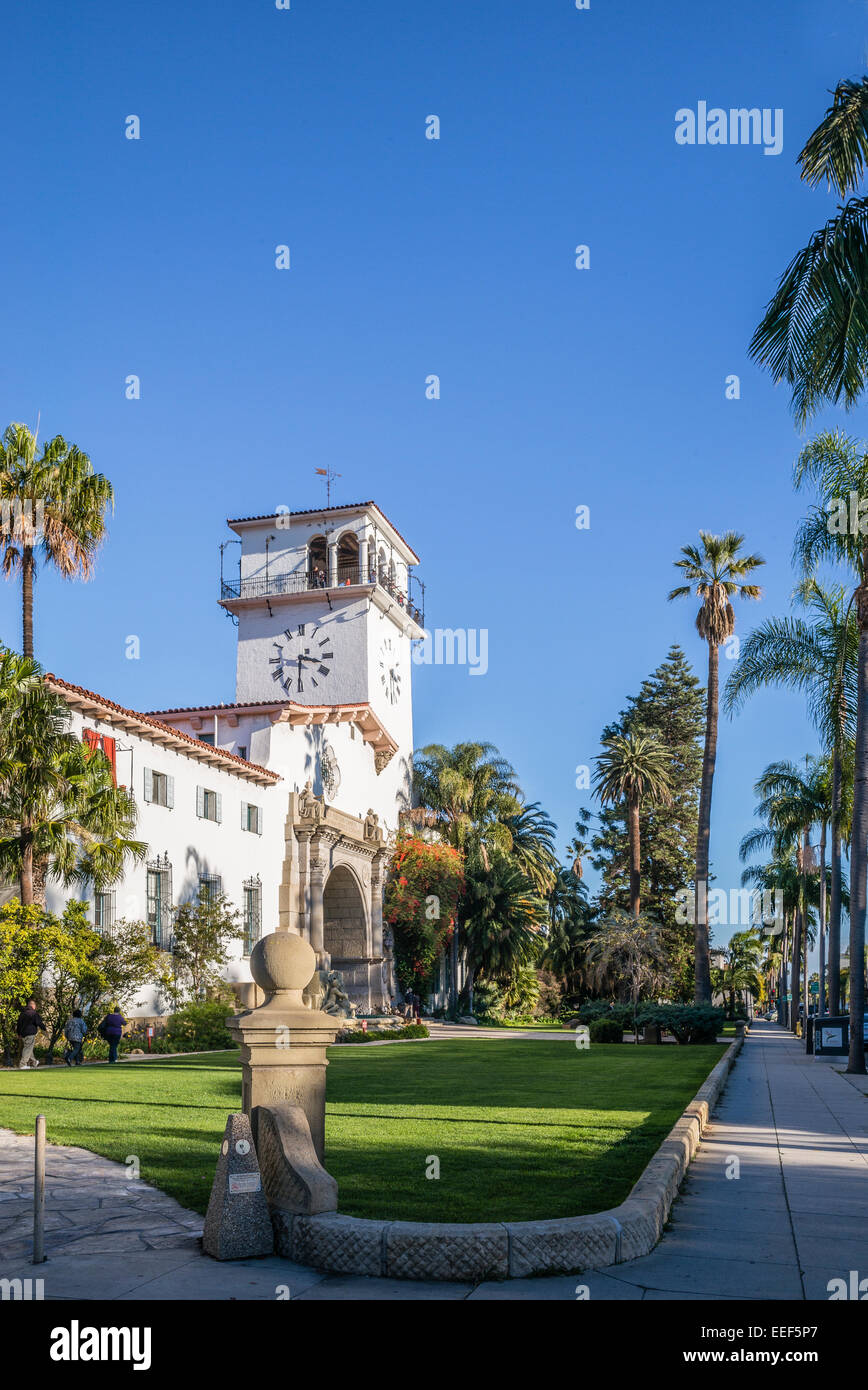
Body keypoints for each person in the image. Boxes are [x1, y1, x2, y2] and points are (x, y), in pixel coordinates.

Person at [16, 999, 44, 1069]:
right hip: (30, 1033)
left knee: (28, 1048)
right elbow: (39, 1023)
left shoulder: (22, 1013)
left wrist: (19, 1033)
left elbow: (19, 1024)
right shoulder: (34, 1013)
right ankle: (22, 1064)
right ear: (33, 1005)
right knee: (27, 1049)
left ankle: (34, 1062)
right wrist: (44, 1029)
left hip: (23, 1034)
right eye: (35, 1005)